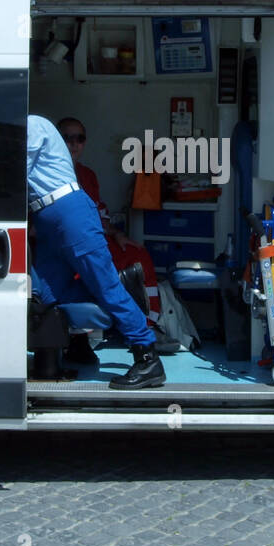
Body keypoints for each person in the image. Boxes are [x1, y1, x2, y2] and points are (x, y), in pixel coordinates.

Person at [27, 116, 164, 390]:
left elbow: (14, 176)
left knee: (105, 287)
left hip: (67, 210)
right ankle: (125, 286)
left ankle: (147, 357)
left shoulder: (32, 125)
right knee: (47, 298)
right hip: (46, 218)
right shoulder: (26, 127)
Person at [56, 117, 161, 326]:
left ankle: (150, 324)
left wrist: (117, 234)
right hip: (66, 248)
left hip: (96, 243)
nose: (74, 143)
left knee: (138, 254)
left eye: (79, 138)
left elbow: (100, 218)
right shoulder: (47, 174)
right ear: (57, 140)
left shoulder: (88, 175)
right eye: (67, 138)